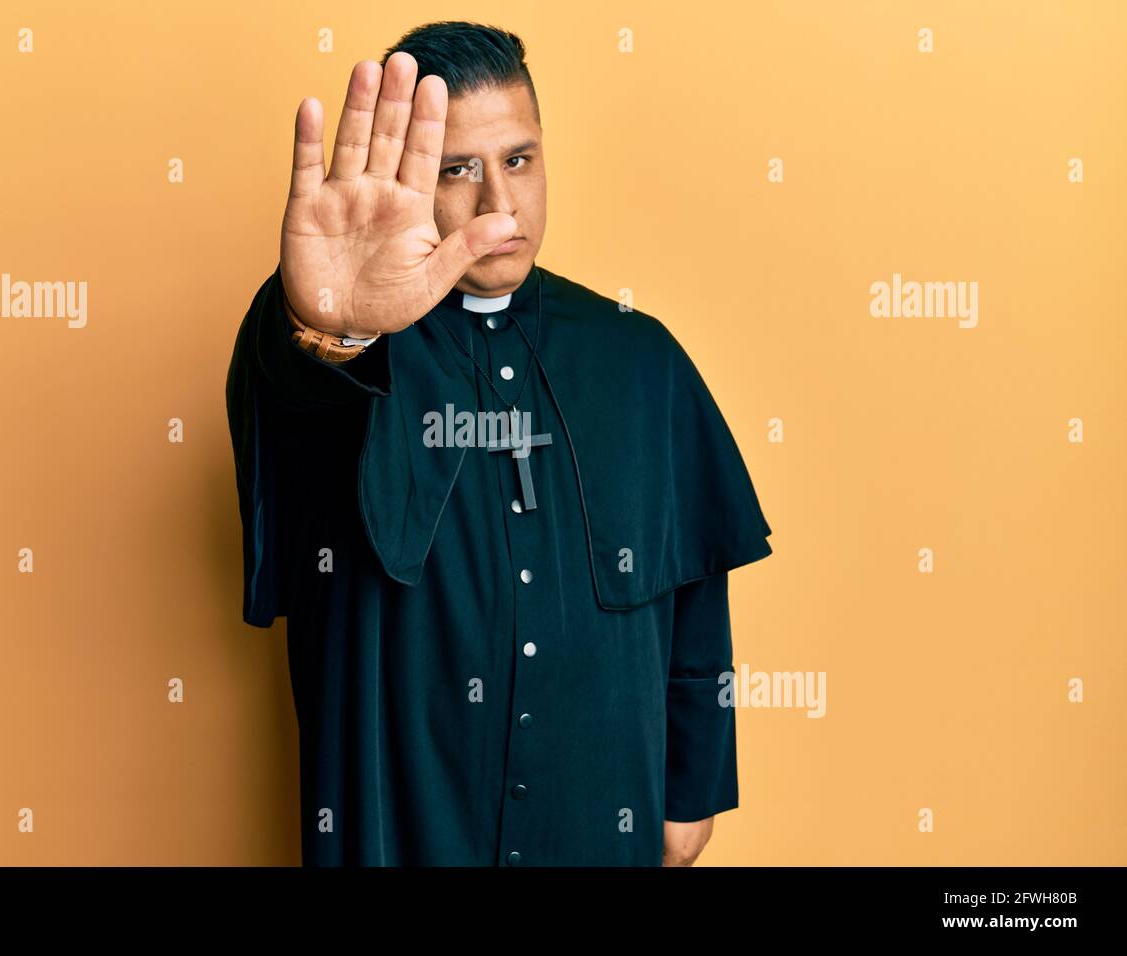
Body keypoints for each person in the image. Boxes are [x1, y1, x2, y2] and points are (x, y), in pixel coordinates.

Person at [225, 20, 773, 866]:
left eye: (518, 160)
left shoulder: (638, 355)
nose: (499, 206)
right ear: (407, 178)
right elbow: (293, 400)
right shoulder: (350, 352)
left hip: (597, 823)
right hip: (398, 827)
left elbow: (695, 595)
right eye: (457, 170)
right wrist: (324, 327)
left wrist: (694, 788)